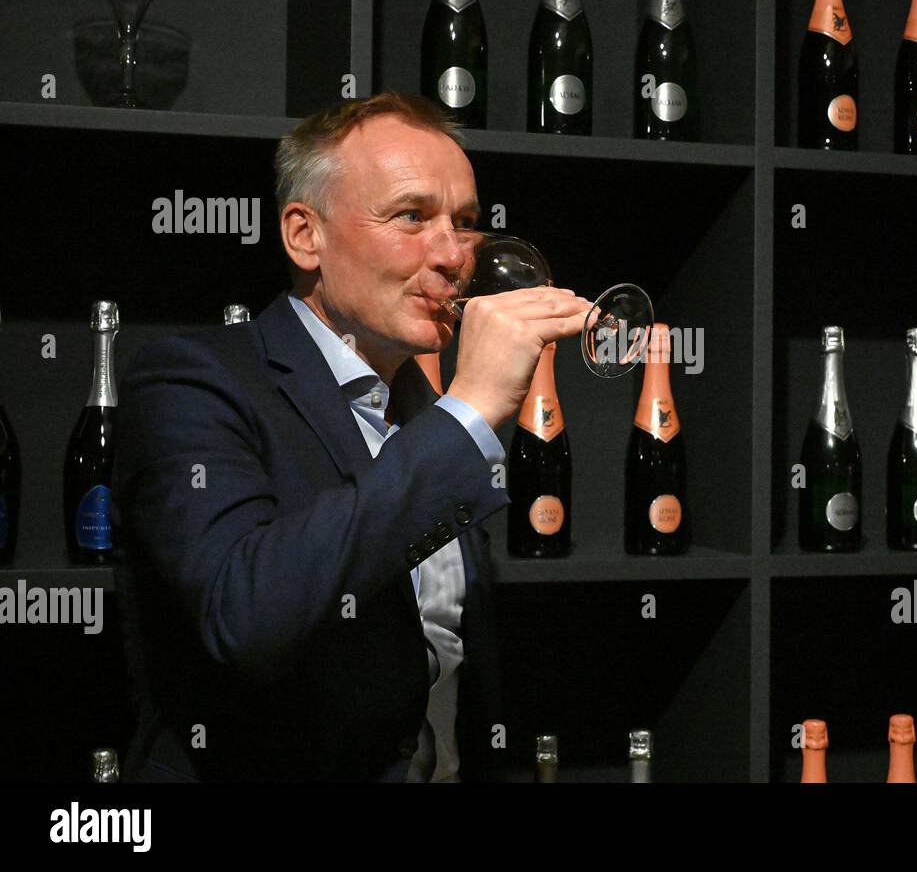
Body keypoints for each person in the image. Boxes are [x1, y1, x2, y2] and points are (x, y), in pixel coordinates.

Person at [113, 91, 590, 781]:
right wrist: (473, 409)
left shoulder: (432, 415)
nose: (454, 254)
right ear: (306, 235)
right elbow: (241, 619)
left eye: (464, 222)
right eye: (411, 217)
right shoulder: (192, 380)